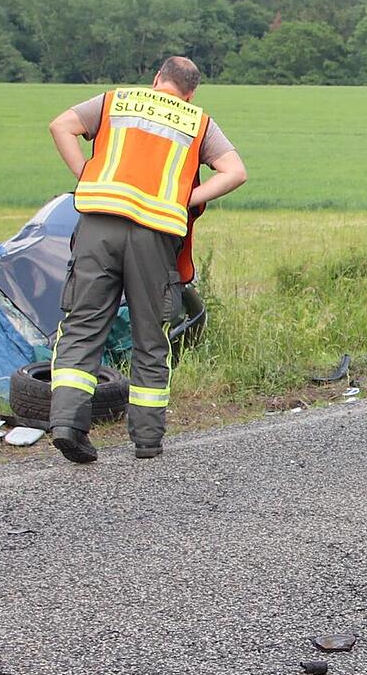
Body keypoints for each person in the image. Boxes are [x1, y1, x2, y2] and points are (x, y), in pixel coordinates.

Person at [44, 56, 247, 462]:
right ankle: (147, 440)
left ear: (156, 79)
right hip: (154, 234)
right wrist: (185, 198)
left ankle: (67, 424)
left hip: (98, 225)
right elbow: (235, 172)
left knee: (83, 326)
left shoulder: (115, 101)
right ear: (190, 93)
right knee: (150, 335)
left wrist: (85, 173)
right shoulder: (196, 121)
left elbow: (60, 125)